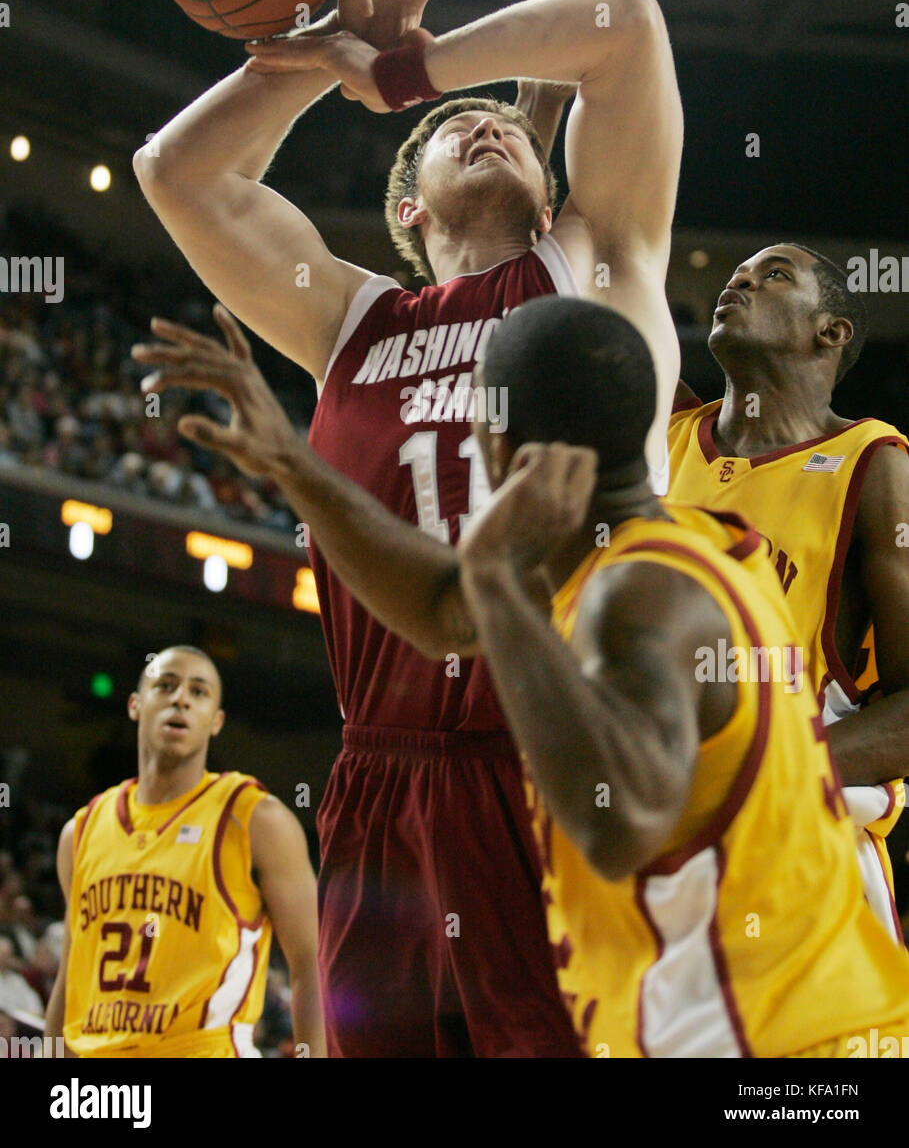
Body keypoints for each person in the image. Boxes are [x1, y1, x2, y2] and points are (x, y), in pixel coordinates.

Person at [133, 0, 683, 1056]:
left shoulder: (601, 261)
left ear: (550, 190)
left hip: (555, 755)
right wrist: (304, 48)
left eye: (501, 125)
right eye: (444, 135)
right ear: (410, 215)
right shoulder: (347, 318)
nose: (476, 123)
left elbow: (625, 25)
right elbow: (173, 172)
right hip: (379, 783)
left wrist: (408, 73)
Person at [134, 297, 909, 1057]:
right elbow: (445, 609)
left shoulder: (642, 596)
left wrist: (499, 587)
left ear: (495, 446)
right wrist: (289, 464)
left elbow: (617, 825)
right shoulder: (679, 549)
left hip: (785, 1046)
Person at [668, 243, 909, 941]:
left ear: (828, 333)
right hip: (653, 858)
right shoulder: (663, 433)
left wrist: (745, 780)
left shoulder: (872, 465)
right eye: (736, 274)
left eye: (772, 275)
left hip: (797, 857)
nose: (739, 282)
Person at [44, 645, 325, 1058]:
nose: (181, 698)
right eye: (166, 685)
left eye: (199, 691)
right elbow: (70, 978)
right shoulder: (81, 832)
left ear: (217, 722)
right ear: (135, 705)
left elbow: (310, 964)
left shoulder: (253, 819)